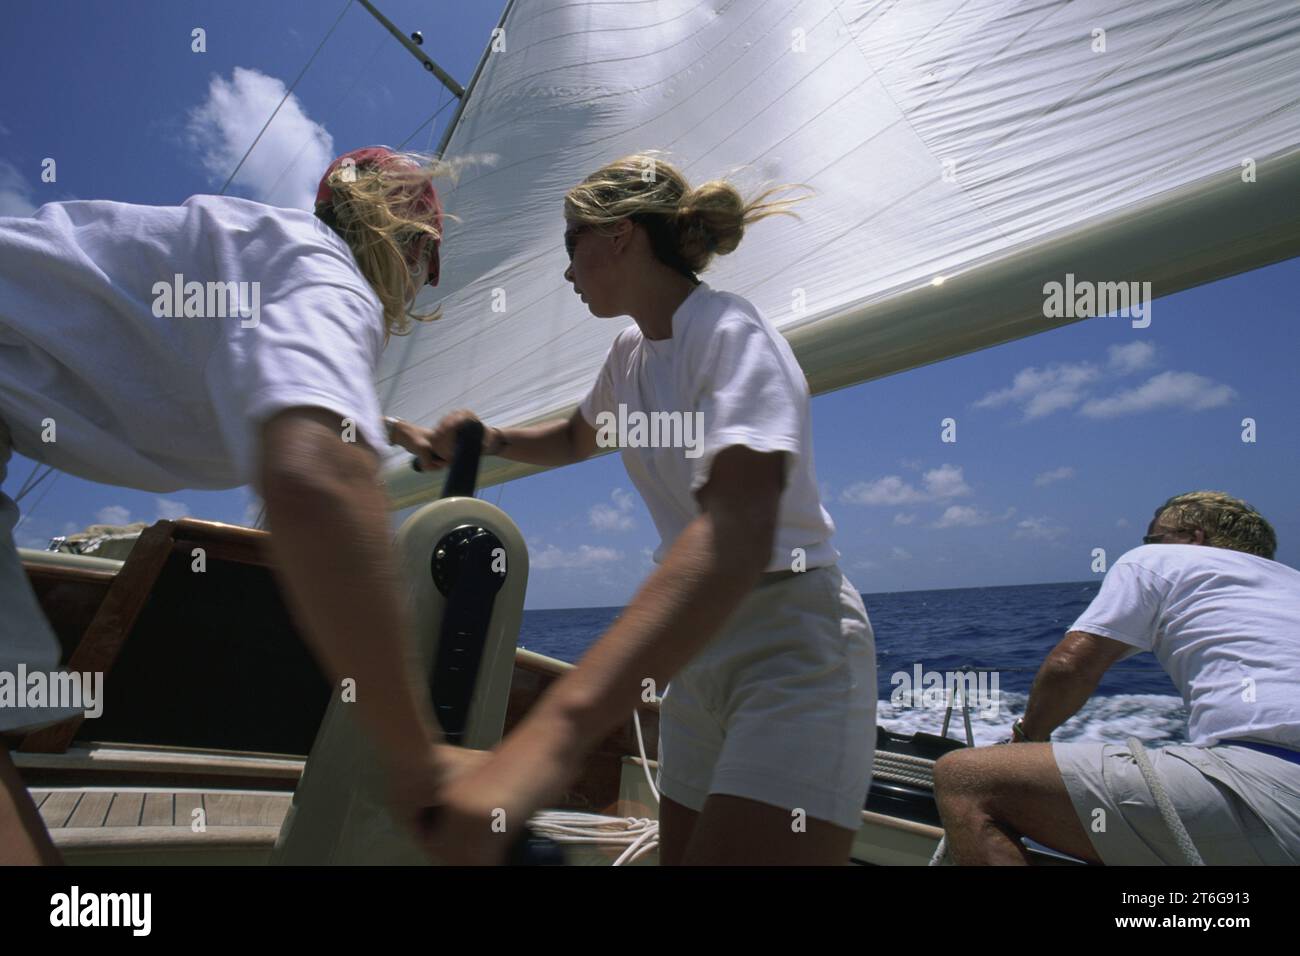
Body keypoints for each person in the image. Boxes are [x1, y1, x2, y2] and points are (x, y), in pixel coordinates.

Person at [0, 146, 474, 864]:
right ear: (407, 245)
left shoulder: (275, 252)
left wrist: (387, 429)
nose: (410, 294)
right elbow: (313, 482)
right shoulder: (329, 280)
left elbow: (267, 380)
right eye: (425, 270)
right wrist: (421, 764)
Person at [412, 154, 877, 865]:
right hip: (698, 643)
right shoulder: (630, 354)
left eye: (573, 245)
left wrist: (554, 736)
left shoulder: (730, 335)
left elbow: (737, 530)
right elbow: (576, 436)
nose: (568, 272)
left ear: (620, 236)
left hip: (790, 643)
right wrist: (490, 437)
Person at [932, 491, 1300, 865]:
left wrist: (1029, 738)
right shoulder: (1290, 581)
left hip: (1270, 787)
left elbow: (1071, 667)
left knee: (964, 777)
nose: (1145, 546)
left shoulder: (1161, 559)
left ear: (1193, 537)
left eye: (1152, 538)